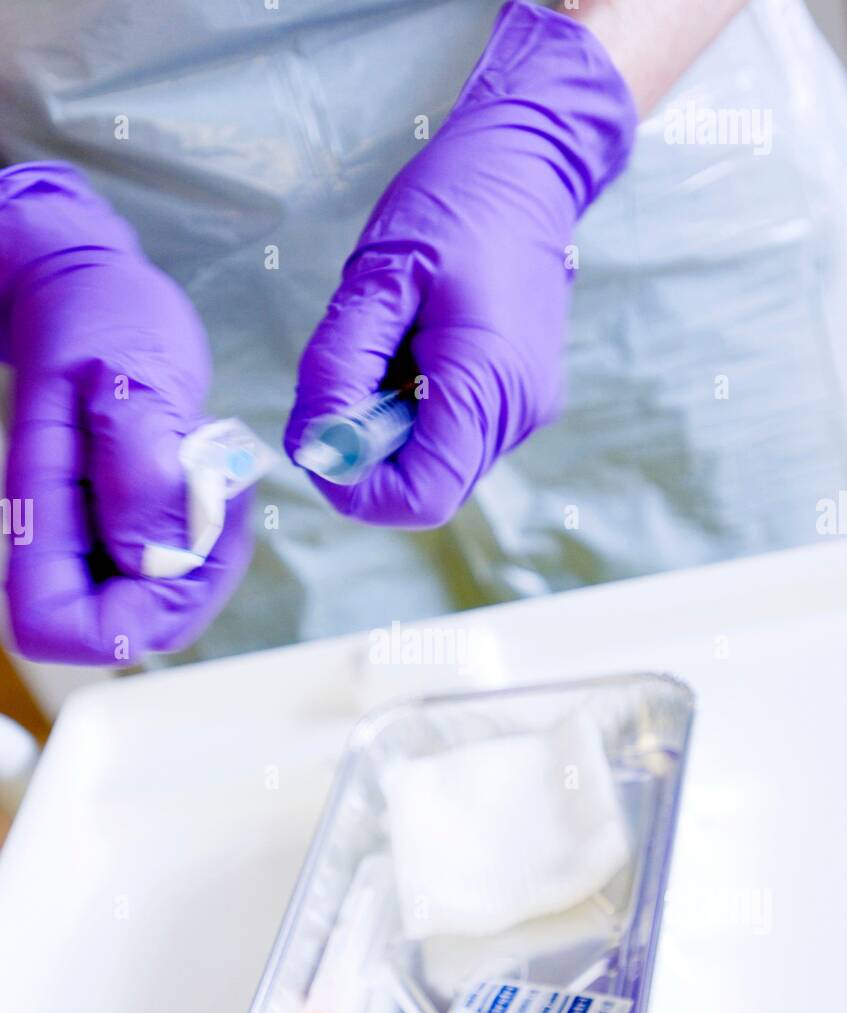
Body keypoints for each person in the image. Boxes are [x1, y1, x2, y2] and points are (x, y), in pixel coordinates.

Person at [1, 0, 845, 664]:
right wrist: (33, 248)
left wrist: (559, 119)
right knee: (351, 780)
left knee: (764, 678)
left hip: (660, 198)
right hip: (179, 307)